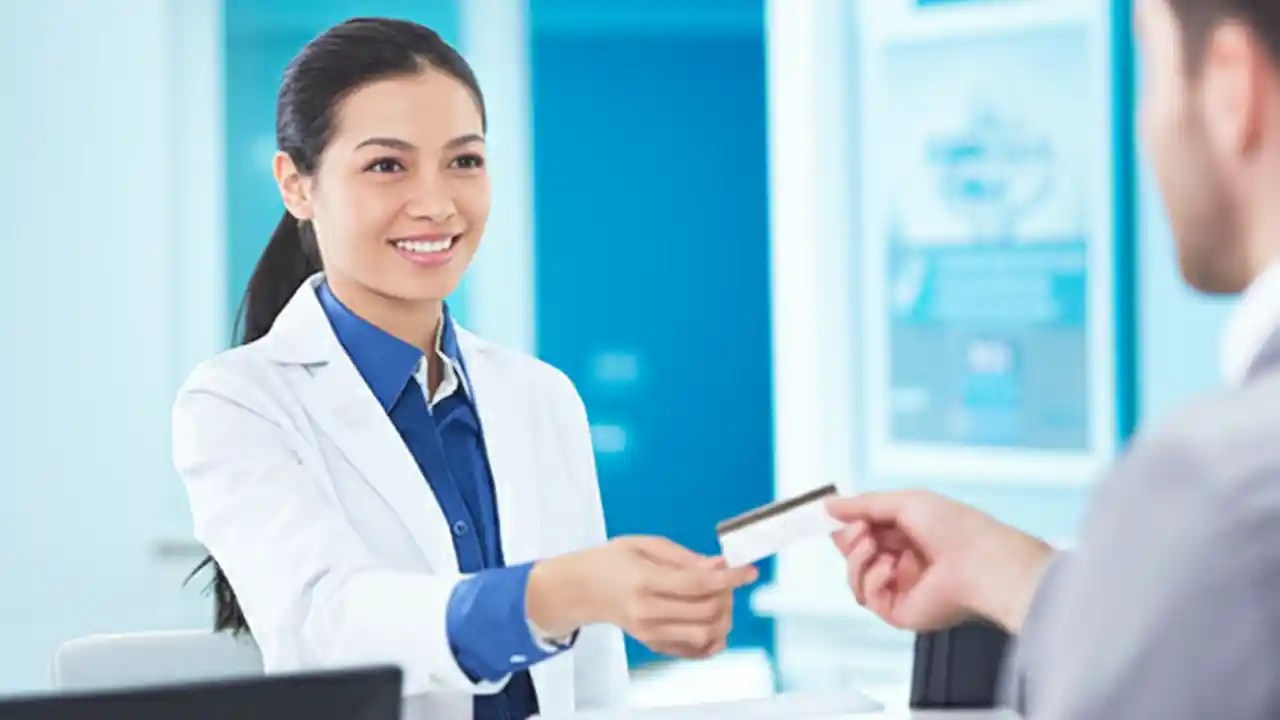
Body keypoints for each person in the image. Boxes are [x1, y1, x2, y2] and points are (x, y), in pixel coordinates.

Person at [172, 18, 757, 720]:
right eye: (387, 165)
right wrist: (558, 592)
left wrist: (605, 596)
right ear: (296, 185)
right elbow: (331, 619)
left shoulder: (541, 396)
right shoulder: (236, 403)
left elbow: (593, 679)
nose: (437, 204)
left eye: (464, 161)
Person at [828, 0, 1280, 716]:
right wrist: (1001, 569)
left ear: (1231, 86)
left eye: (1155, 72)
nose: (1150, 128)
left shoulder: (1212, 487)